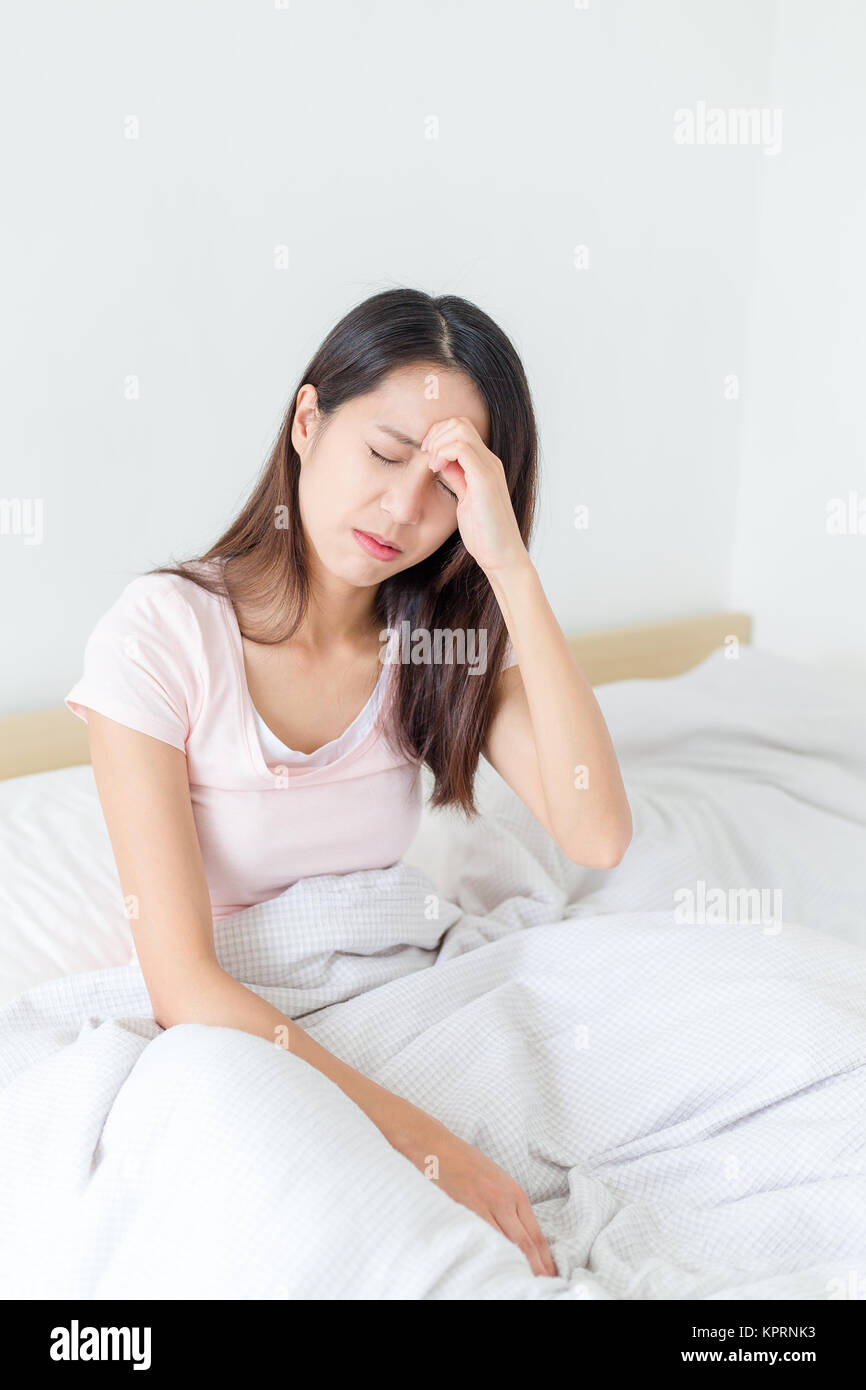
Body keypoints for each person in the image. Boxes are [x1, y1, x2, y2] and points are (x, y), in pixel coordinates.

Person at [65, 287, 632, 1279]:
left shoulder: (434, 645)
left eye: (445, 482)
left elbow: (595, 834)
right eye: (383, 453)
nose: (404, 511)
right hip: (232, 1031)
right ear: (307, 421)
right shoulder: (161, 634)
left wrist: (509, 567)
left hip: (395, 996)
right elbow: (181, 981)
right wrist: (422, 1140)